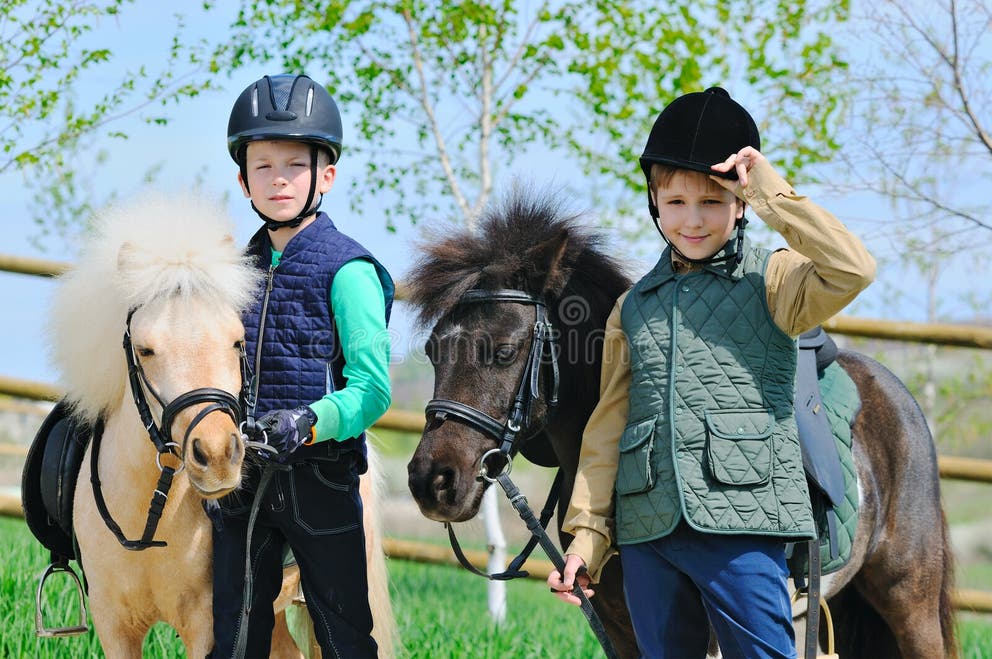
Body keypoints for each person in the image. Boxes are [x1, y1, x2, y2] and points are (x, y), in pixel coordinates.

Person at [547, 87, 875, 658]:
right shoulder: (635, 305)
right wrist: (588, 537)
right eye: (675, 203)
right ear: (654, 201)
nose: (692, 221)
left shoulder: (776, 282)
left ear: (740, 204)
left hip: (743, 527)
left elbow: (852, 268)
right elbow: (609, 428)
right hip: (649, 532)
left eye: (713, 202)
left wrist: (769, 188)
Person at [208, 73, 394, 658]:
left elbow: (372, 389)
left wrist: (307, 421)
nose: (279, 178)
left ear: (326, 175)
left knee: (343, 639)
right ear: (243, 181)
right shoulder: (237, 272)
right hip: (244, 485)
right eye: (263, 166)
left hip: (322, 481)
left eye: (294, 164)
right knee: (235, 639)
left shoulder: (350, 271)